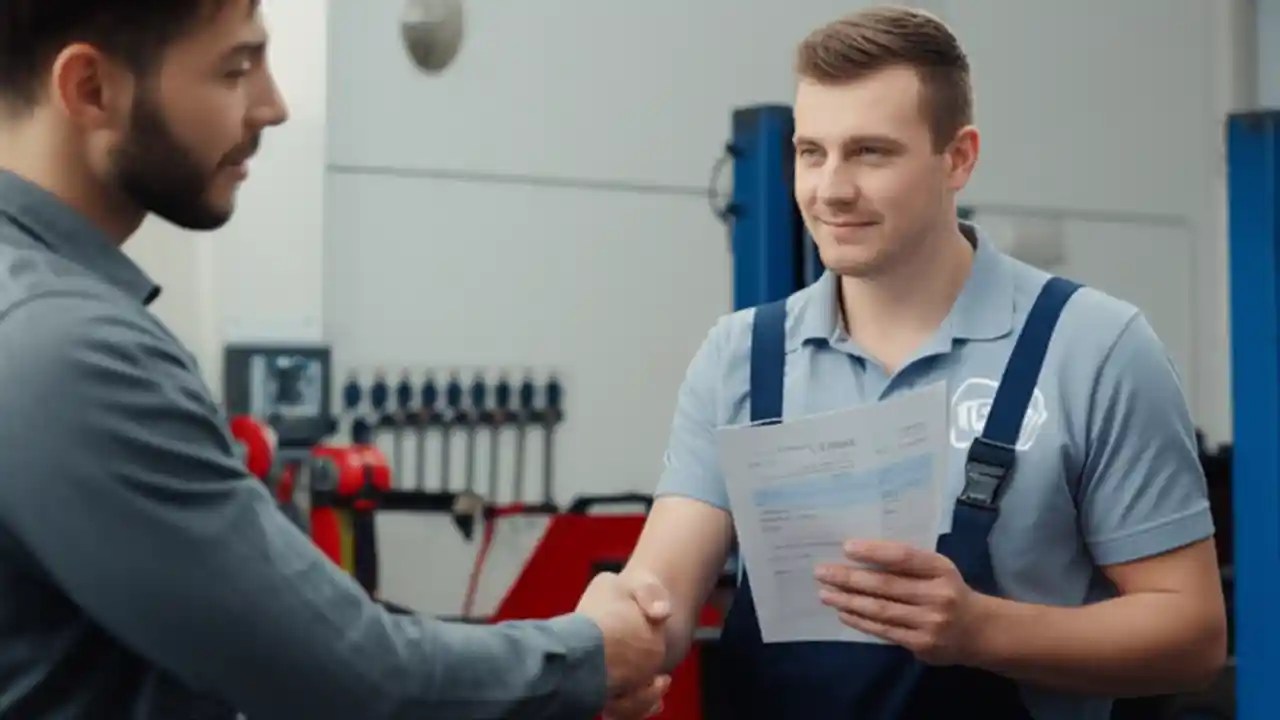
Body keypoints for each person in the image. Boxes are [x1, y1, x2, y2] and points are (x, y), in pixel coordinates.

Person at [0, 1, 671, 718]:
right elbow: (352, 678)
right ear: (91, 89)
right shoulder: (71, 352)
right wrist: (591, 654)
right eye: (235, 68)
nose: (275, 105)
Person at [603, 6, 1228, 720]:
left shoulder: (1094, 348)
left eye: (871, 152)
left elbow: (1192, 635)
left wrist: (981, 631)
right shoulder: (741, 358)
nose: (831, 189)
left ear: (958, 157)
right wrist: (616, 637)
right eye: (812, 152)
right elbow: (662, 593)